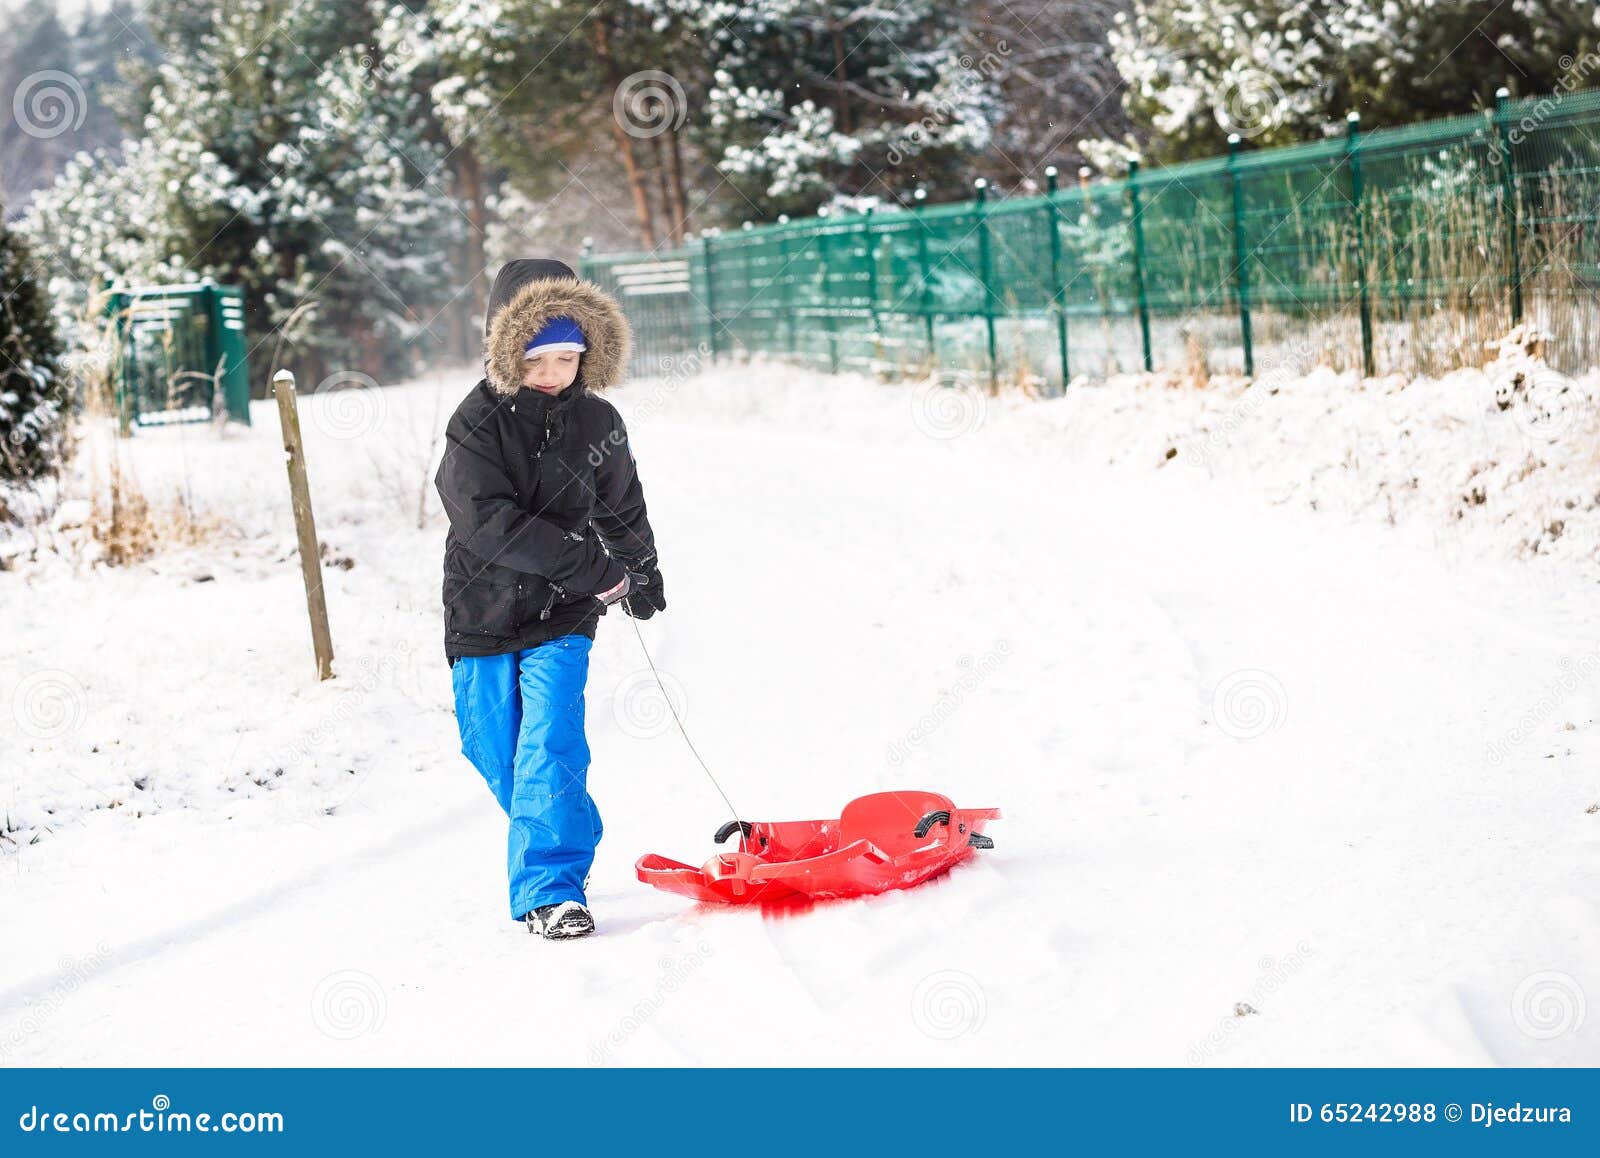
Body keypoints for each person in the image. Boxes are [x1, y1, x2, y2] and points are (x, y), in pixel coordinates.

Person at [434, 257, 665, 940]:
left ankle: (551, 890)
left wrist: (641, 571)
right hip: (481, 608)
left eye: (568, 357)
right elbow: (489, 524)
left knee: (550, 742)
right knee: (492, 746)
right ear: (505, 351)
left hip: (563, 612)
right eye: (537, 358)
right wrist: (593, 565)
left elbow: (621, 505)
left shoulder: (598, 422)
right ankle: (568, 822)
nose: (553, 372)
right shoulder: (474, 425)